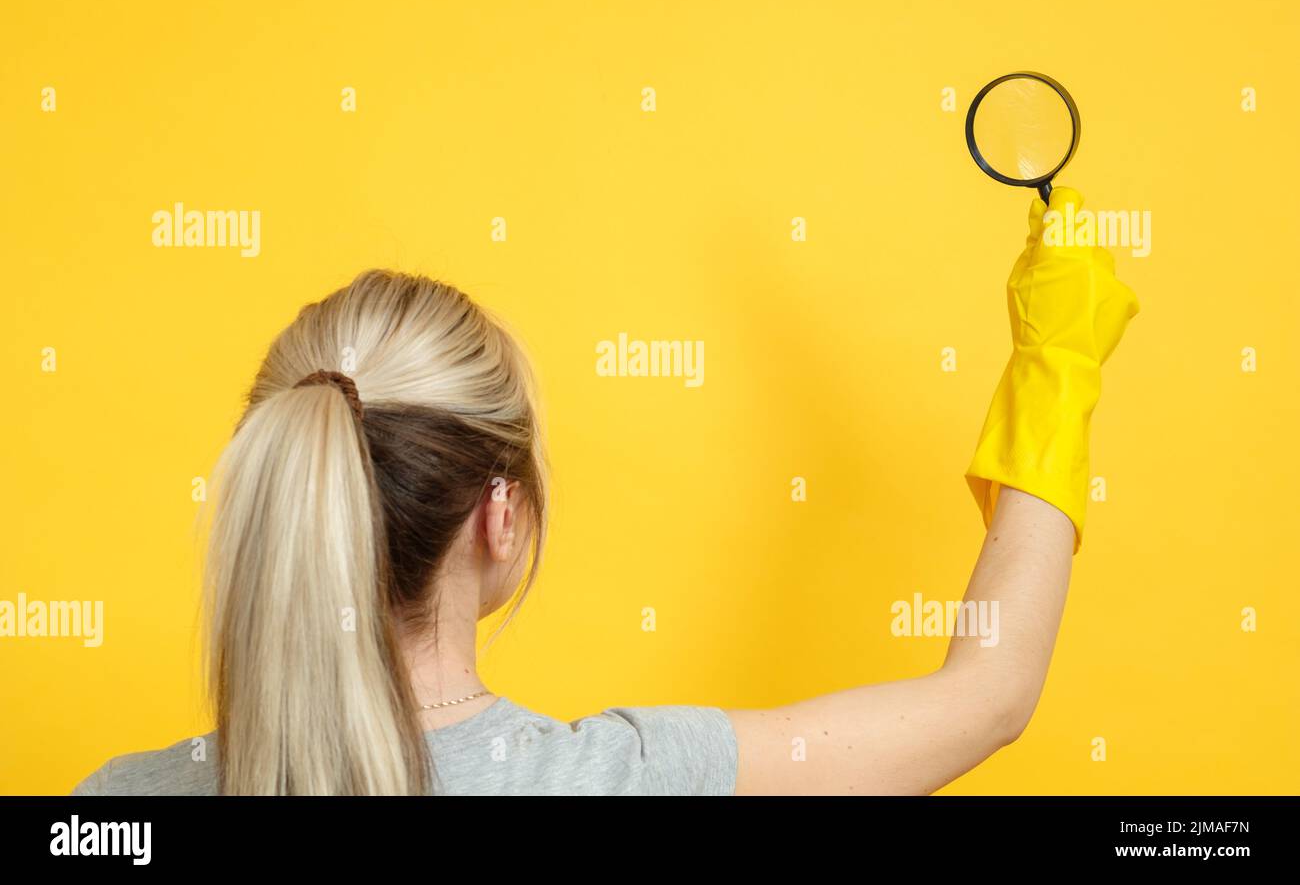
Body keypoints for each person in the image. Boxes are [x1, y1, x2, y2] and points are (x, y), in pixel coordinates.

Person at [72, 187, 1137, 795]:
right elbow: (983, 698)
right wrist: (1056, 369)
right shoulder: (619, 780)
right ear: (500, 513)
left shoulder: (114, 806)